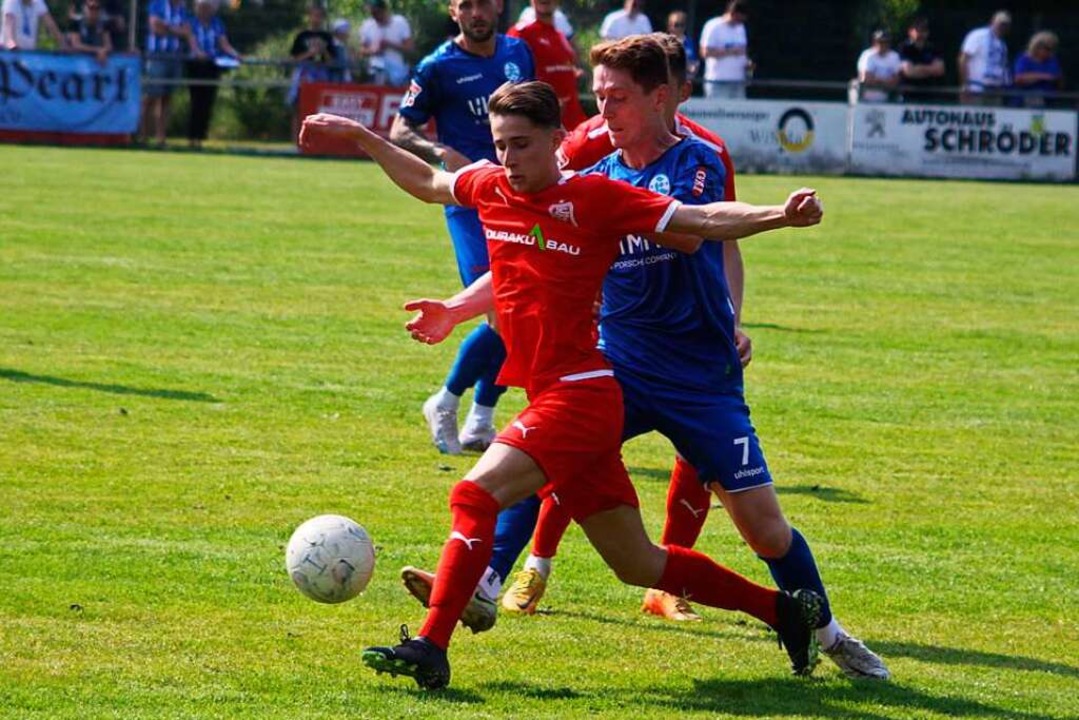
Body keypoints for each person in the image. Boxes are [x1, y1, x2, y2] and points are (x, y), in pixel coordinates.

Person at [301, 79, 825, 690]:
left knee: (474, 495)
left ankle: (430, 646)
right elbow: (430, 182)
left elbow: (701, 218)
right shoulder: (492, 185)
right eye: (500, 144)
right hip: (556, 395)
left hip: (580, 393)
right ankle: (782, 611)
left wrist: (780, 215)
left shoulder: (595, 197)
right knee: (637, 563)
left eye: (522, 144)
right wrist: (362, 135)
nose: (509, 159)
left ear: (556, 139)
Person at [404, 34, 892, 682]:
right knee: (541, 456)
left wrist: (761, 252)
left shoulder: (697, 156)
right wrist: (457, 307)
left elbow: (701, 230)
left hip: (698, 376)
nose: (602, 111)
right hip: (619, 365)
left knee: (765, 531)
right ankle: (485, 580)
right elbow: (533, 252)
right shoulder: (590, 170)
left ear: (658, 97)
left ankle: (827, 633)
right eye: (597, 96)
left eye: (617, 98)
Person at [391, 0, 534, 456]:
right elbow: (400, 130)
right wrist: (439, 152)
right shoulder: (437, 66)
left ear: (498, 7)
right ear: (453, 11)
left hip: (520, 199)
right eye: (465, 4)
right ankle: (448, 401)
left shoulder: (518, 53)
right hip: (469, 203)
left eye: (483, 3)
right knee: (500, 308)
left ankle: (479, 421)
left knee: (519, 311)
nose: (476, 12)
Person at [509, 0, 587, 130]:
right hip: (544, 127)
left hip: (573, 124)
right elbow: (512, 82)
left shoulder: (560, 36)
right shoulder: (522, 33)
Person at [186, 0, 240, 149]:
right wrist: (198, 53)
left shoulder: (217, 23)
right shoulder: (191, 23)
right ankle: (192, 137)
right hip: (196, 65)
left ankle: (200, 137)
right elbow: (192, 42)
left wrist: (236, 54)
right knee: (196, 102)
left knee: (207, 102)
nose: (205, 10)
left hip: (212, 65)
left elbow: (224, 44)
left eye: (207, 7)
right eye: (202, 7)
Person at [142, 0, 196, 147]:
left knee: (166, 98)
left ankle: (161, 137)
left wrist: (167, 27)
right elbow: (155, 27)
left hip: (175, 56)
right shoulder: (157, 4)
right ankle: (143, 136)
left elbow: (187, 32)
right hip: (157, 56)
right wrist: (177, 30)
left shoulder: (183, 9)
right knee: (150, 96)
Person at [288, 3, 338, 141]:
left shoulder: (327, 37)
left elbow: (332, 61)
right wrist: (310, 53)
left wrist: (323, 51)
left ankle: (319, 141)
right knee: (298, 106)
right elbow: (293, 59)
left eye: (319, 16)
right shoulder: (302, 35)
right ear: (309, 16)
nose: (316, 19)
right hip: (304, 72)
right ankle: (296, 141)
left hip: (321, 73)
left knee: (320, 107)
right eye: (314, 15)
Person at [700, 0, 753, 99]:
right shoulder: (713, 26)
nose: (740, 22)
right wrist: (730, 51)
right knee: (718, 108)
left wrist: (747, 63)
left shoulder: (740, 28)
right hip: (718, 82)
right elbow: (705, 52)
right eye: (739, 19)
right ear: (733, 13)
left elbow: (743, 51)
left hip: (738, 82)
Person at [958, 10, 1011, 106]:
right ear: (993, 22)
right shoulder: (978, 35)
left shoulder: (1002, 44)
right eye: (1000, 23)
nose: (1002, 27)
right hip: (976, 88)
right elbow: (963, 59)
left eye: (1005, 25)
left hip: (995, 90)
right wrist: (965, 85)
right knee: (974, 114)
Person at [358, 0, 412, 87]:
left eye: (377, 12)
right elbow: (362, 51)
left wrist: (389, 44)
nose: (375, 16)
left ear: (384, 10)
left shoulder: (400, 22)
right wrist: (373, 50)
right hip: (376, 71)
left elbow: (409, 47)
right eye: (372, 13)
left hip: (397, 73)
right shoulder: (367, 25)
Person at [897, 17, 945, 104]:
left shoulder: (933, 48)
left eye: (924, 31)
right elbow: (909, 72)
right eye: (918, 30)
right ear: (910, 32)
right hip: (908, 95)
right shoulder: (904, 48)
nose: (921, 33)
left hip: (930, 94)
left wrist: (918, 68)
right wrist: (930, 69)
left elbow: (939, 71)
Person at [1012, 31, 1063, 108]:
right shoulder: (1024, 59)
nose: (1050, 52)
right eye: (1048, 49)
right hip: (1026, 98)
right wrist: (1043, 77)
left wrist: (1032, 78)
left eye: (1053, 49)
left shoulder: (1052, 60)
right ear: (1037, 47)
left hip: (1049, 99)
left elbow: (1056, 78)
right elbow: (1019, 78)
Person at [856, 29, 901, 103]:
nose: (882, 44)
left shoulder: (894, 56)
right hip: (865, 98)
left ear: (889, 43)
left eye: (885, 42)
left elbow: (896, 80)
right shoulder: (867, 55)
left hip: (888, 100)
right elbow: (866, 78)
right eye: (879, 41)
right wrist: (886, 81)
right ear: (874, 42)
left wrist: (876, 80)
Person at [66, 0, 111, 65]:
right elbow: (76, 45)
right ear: (84, 8)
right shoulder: (76, 22)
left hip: (96, 59)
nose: (94, 11)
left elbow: (108, 45)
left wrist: (103, 51)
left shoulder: (104, 24)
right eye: (91, 7)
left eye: (97, 8)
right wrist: (97, 50)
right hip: (76, 59)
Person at [667, 10, 698, 79]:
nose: (679, 28)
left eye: (682, 25)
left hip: (685, 80)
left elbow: (694, 64)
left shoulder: (689, 43)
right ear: (669, 26)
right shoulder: (663, 42)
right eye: (676, 25)